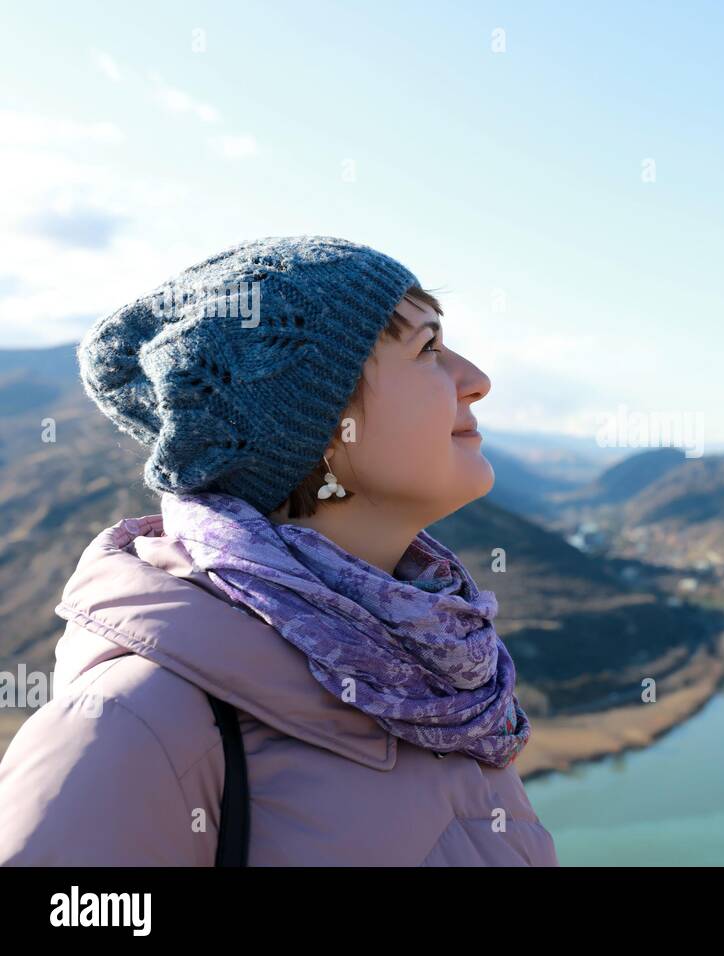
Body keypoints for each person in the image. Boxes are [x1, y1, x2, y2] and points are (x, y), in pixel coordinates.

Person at [0, 235, 558, 866]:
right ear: (317, 425)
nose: (477, 381)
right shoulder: (135, 727)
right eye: (427, 347)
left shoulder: (436, 682)